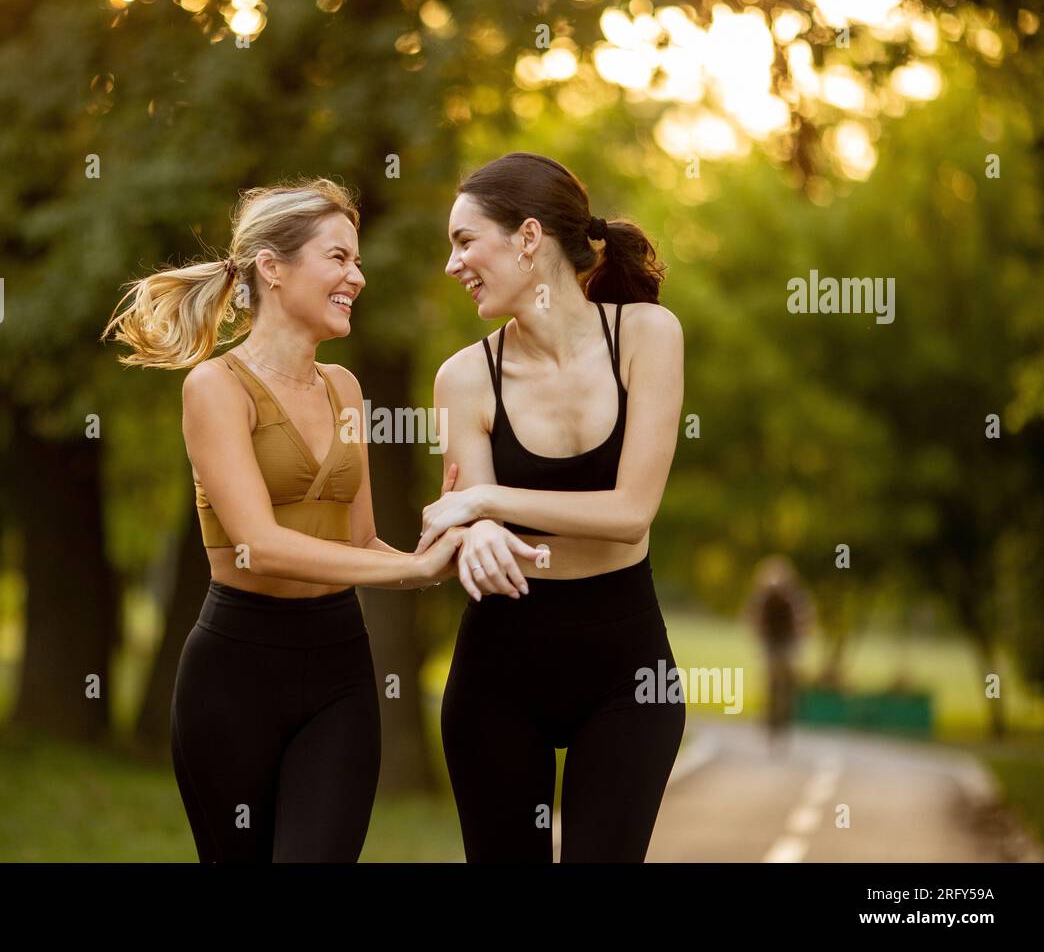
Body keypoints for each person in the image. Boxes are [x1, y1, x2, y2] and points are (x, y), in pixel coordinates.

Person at [101, 179, 532, 862]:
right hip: (232, 675)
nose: (355, 278)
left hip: (338, 671)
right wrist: (411, 569)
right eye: (338, 259)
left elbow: (358, 541)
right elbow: (260, 547)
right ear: (273, 269)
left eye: (356, 262)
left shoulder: (346, 390)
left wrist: (434, 551)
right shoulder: (215, 388)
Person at [417, 152, 685, 861]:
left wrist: (483, 501)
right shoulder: (464, 379)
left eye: (464, 240)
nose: (453, 265)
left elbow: (632, 512)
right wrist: (476, 533)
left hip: (627, 676)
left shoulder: (647, 338)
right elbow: (483, 539)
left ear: (529, 238)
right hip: (498, 677)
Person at [744, 554, 815, 752]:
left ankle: (782, 724)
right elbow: (754, 619)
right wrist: (759, 640)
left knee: (785, 686)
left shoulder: (793, 598)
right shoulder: (763, 598)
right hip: (771, 644)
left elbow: (802, 621)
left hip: (786, 643)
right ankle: (770, 725)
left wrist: (798, 645)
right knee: (772, 684)